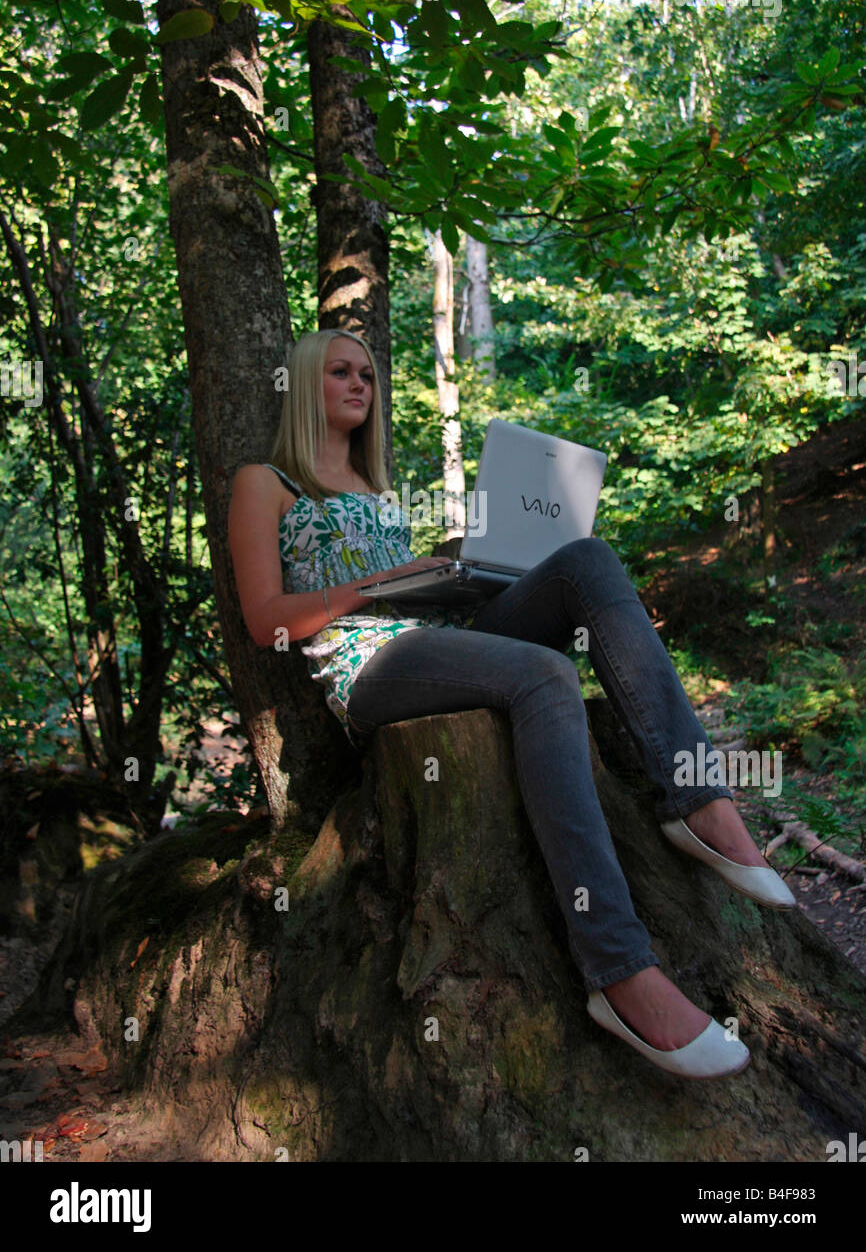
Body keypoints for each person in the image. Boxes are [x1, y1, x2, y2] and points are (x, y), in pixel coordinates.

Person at [229, 328, 795, 1080]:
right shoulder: (265, 483)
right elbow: (265, 618)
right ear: (304, 383)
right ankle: (619, 970)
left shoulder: (376, 486)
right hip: (367, 666)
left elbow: (408, 584)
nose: (360, 384)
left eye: (367, 372)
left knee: (584, 562)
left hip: (429, 632)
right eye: (341, 372)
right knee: (544, 676)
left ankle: (696, 798)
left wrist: (462, 564)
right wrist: (375, 586)